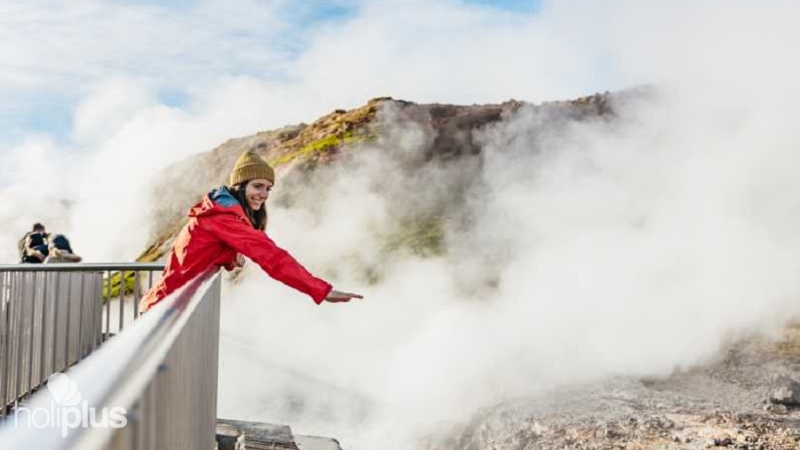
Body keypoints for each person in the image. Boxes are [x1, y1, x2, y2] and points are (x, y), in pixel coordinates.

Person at [139, 149, 363, 312]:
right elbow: (273, 258)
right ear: (241, 185)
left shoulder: (222, 212)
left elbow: (200, 253)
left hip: (168, 307)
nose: (264, 194)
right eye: (258, 186)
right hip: (162, 314)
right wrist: (322, 291)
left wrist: (228, 258)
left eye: (268, 188)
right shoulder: (223, 218)